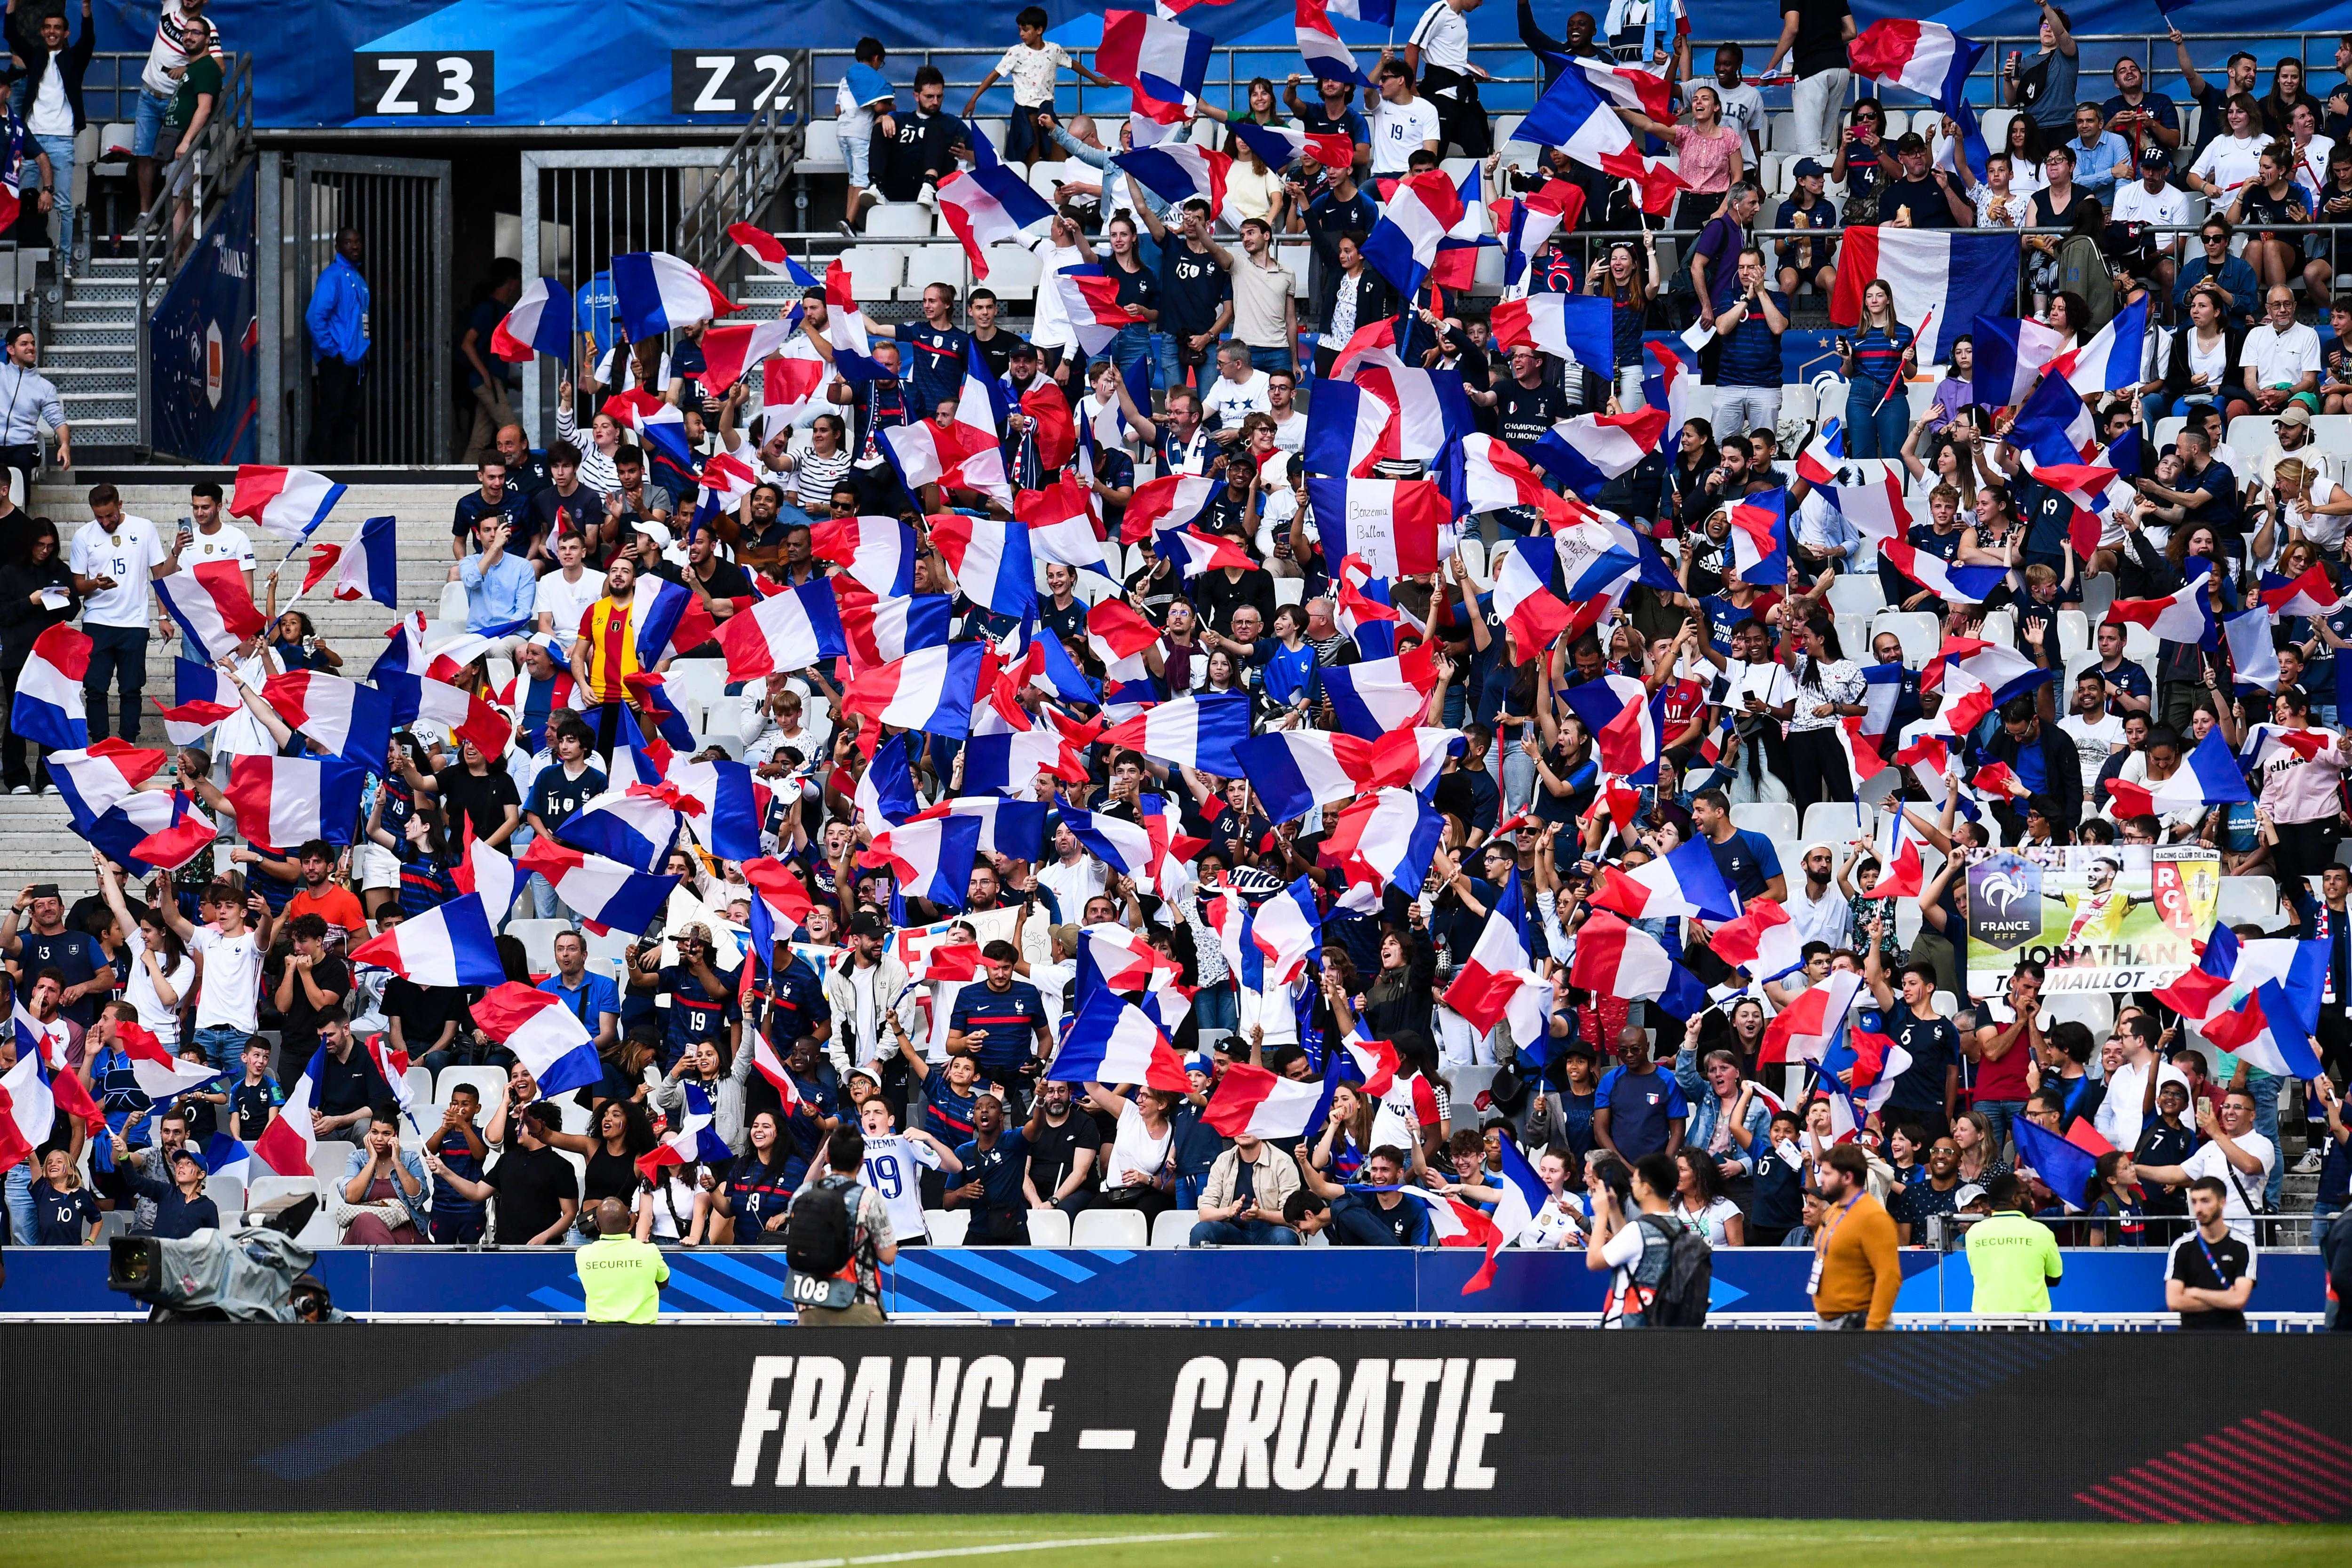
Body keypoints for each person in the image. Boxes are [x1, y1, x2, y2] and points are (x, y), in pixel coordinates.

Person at [11, 0, 95, 274]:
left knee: (64, 205)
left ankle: (66, 262)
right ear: (42, 31)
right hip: (32, 138)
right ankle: (24, 259)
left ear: (66, 33)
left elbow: (89, 39)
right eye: (47, 27)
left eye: (57, 27)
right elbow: (11, 34)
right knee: (24, 198)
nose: (51, 31)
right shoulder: (35, 56)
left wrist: (86, 7)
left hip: (61, 139)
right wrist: (11, 3)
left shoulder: (74, 59)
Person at [790, 1123, 897, 1326]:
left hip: (810, 1304)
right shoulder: (868, 1197)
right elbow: (888, 1256)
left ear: (828, 1158)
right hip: (857, 1304)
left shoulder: (803, 1194)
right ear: (861, 1161)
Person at [1584, 1151, 1684, 1327]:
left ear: (1646, 1188)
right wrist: (1613, 1208)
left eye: (1635, 1181)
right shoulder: (1679, 1227)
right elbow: (1627, 1244)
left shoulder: (1638, 1230)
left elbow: (1593, 1261)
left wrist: (1601, 1213)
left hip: (1627, 1324)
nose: (1632, 1185)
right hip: (1659, 1321)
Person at [1810, 1143, 1899, 1329]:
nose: (1821, 1179)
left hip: (1859, 1323)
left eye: (1827, 1174)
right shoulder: (1832, 1211)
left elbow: (1889, 1277)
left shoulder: (1873, 1217)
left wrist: (1873, 1328)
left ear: (1848, 1178)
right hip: (1829, 1321)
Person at [303, 228, 369, 464]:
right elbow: (315, 318)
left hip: (355, 362)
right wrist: (332, 352)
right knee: (331, 416)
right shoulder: (333, 276)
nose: (355, 246)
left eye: (357, 241)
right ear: (338, 247)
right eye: (348, 242)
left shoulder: (357, 277)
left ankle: (343, 469)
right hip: (338, 361)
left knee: (348, 419)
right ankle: (317, 468)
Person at [1761, 0, 1854, 157]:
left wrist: (1770, 68)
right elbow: (1851, 31)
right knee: (1823, 145)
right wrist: (1826, 41)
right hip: (1840, 68)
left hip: (1811, 69)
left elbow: (1792, 28)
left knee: (1809, 148)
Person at [2164, 1176, 2257, 1329]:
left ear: (2222, 1202)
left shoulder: (2243, 1246)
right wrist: (2226, 1299)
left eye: (2205, 1201)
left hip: (2232, 1336)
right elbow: (2174, 1302)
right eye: (2194, 1202)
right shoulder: (2182, 1246)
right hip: (2190, 1336)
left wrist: (2195, 1293)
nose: (2199, 1209)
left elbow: (2239, 1300)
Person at [1964, 1173, 2064, 1313]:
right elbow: (2054, 1278)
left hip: (1986, 1322)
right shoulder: (2042, 1232)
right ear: (2015, 1199)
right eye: (2028, 1193)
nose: (2031, 1200)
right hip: (2032, 1322)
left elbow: (1982, 1273)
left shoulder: (1974, 1233)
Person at [1191, 1130, 1303, 1245]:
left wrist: (1261, 1214)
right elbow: (1204, 1214)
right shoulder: (1223, 1160)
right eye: (1240, 1126)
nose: (1244, 1131)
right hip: (1233, 1229)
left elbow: (1291, 1216)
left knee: (1285, 1237)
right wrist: (1228, 1211)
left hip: (1271, 1228)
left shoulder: (1283, 1162)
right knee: (1201, 1231)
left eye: (1250, 1127)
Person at [575, 1196, 671, 1322]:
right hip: (643, 1333)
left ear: (597, 1226)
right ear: (630, 1222)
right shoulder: (650, 1251)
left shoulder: (583, 1254)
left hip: (598, 1333)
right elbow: (664, 1282)